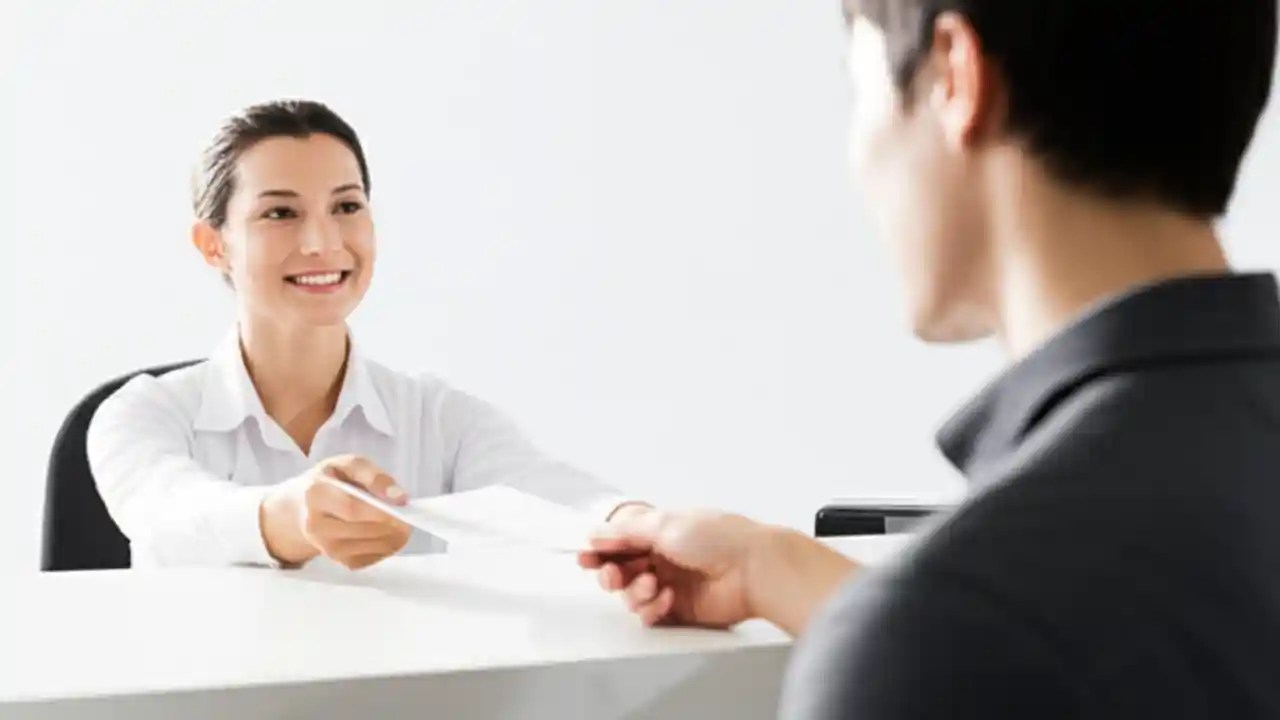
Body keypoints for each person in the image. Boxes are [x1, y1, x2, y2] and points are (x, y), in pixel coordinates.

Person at [580, 0, 1280, 716]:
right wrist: (774, 565)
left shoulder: (943, 635)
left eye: (863, 92)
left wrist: (889, 633)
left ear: (955, 75)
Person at [88, 99, 644, 570]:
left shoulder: (438, 419)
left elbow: (552, 492)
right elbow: (174, 511)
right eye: (280, 213)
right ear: (214, 246)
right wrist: (294, 515)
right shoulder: (141, 415)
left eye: (347, 206)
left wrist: (653, 530)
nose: (322, 242)